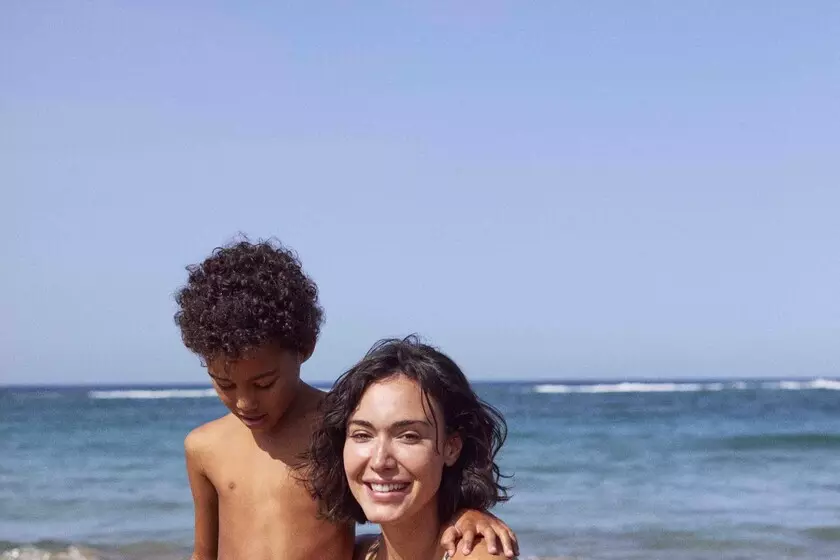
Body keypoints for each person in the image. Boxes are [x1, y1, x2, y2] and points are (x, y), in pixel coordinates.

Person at [174, 239, 518, 560]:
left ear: (304, 348)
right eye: (224, 384)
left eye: (264, 384)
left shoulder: (338, 425)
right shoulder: (203, 447)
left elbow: (411, 495)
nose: (245, 402)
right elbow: (203, 553)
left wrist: (469, 512)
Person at [305, 336, 516, 560]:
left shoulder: (481, 556)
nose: (379, 461)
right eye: (362, 435)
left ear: (451, 448)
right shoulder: (356, 552)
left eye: (408, 436)